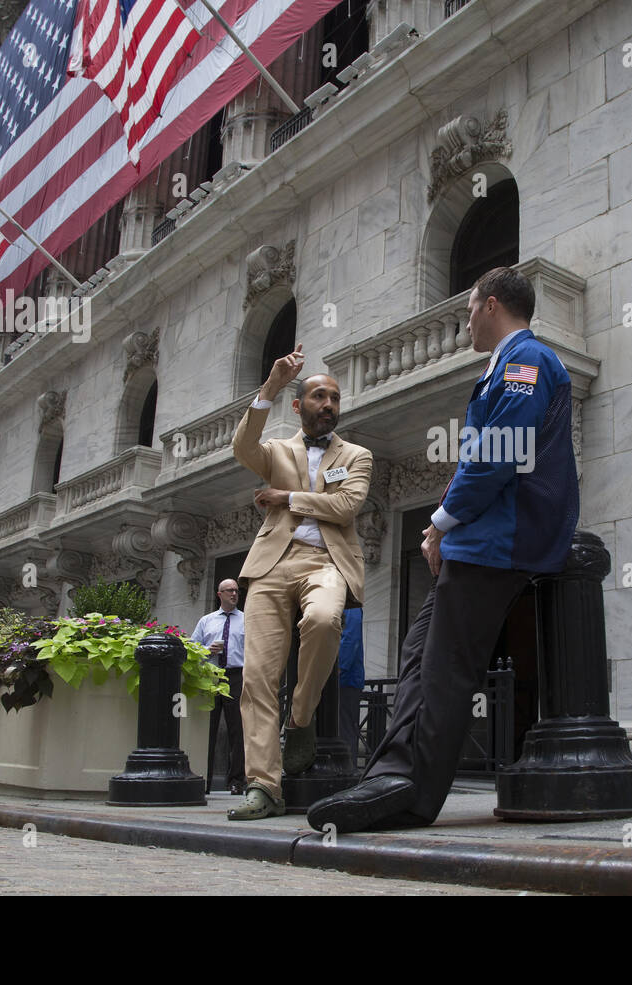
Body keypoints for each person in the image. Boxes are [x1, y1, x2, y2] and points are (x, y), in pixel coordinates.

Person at [308, 267, 578, 832]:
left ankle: (408, 788)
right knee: (421, 650)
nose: (467, 319)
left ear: (492, 305)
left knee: (445, 664)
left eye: (471, 307)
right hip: (484, 537)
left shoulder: (527, 360)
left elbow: (499, 454)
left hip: (503, 538)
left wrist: (438, 523)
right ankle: (394, 776)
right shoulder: (504, 365)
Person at [227, 346, 372, 820]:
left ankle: (302, 716)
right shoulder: (277, 452)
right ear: (299, 405)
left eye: (334, 398)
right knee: (257, 679)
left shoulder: (357, 455)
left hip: (325, 561)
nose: (328, 404)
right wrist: (269, 386)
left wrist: (285, 496)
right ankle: (263, 787)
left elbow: (345, 507)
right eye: (318, 397)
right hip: (270, 565)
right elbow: (242, 448)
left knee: (327, 619)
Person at [190, 579, 247, 795]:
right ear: (219, 594)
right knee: (208, 729)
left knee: (238, 730)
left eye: (236, 591)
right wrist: (207, 651)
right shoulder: (206, 621)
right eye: (229, 591)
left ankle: (237, 781)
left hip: (236, 675)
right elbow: (193, 649)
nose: (234, 594)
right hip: (211, 675)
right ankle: (204, 778)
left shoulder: (246, 620)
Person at [337, 606, 365, 763]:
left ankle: (348, 770)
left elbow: (351, 638)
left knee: (345, 730)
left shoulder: (351, 606)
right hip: (341, 678)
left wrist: (339, 667)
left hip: (345, 680)